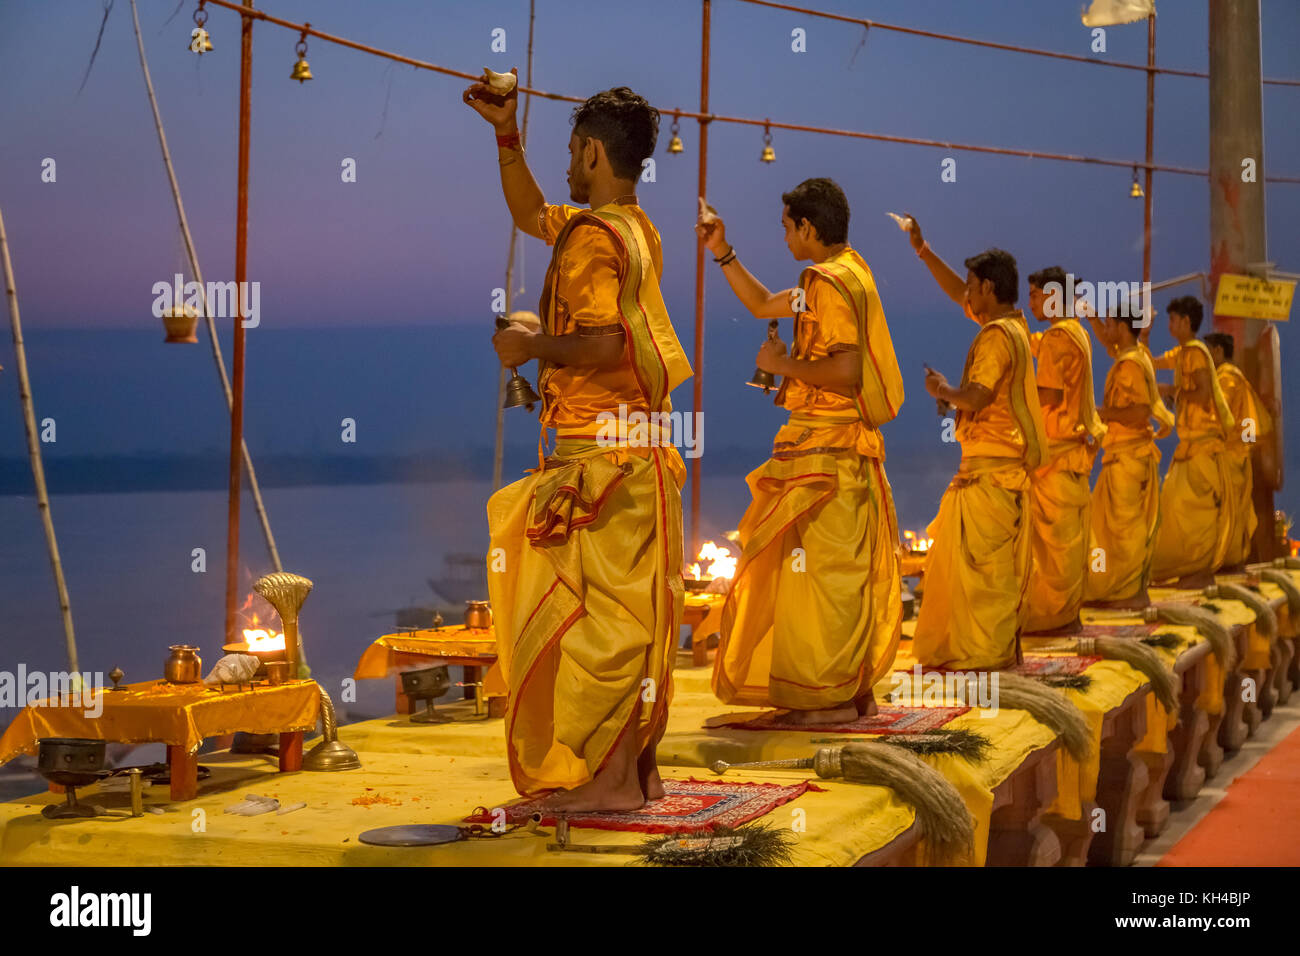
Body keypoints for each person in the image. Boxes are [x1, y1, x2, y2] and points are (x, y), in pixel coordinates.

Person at [465, 75, 692, 810]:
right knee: (626, 624)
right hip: (633, 454)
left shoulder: (597, 239)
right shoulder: (632, 225)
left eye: (570, 150)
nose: (566, 163)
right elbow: (533, 212)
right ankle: (632, 773)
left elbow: (603, 344)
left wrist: (534, 346)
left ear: (592, 151)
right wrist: (506, 135)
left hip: (602, 457)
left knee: (599, 631)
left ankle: (607, 783)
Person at [696, 179, 904, 723]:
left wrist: (782, 365)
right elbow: (766, 302)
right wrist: (722, 250)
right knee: (830, 576)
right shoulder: (848, 272)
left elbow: (847, 369)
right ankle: (847, 693)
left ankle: (823, 701)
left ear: (807, 227)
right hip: (835, 450)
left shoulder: (826, 282)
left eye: (788, 228)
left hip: (827, 452)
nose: (786, 237)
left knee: (817, 582)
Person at [903, 218, 1047, 669]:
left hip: (990, 472)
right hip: (996, 470)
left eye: (971, 286)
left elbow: (980, 394)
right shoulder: (1016, 329)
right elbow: (954, 294)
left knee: (981, 574)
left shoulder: (996, 337)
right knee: (986, 573)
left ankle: (982, 659)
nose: (965, 294)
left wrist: (943, 391)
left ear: (986, 288)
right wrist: (923, 250)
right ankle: (984, 655)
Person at [1023, 267, 1106, 632]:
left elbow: (1050, 394)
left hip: (1057, 456)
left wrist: (998, 399)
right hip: (1070, 454)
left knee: (1052, 551)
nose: (1031, 302)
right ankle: (1064, 616)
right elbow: (1033, 345)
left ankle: (1051, 619)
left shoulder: (1061, 337)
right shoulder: (1076, 332)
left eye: (1036, 295)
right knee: (1063, 550)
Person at [1084, 310, 1174, 607]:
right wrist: (1093, 318)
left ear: (1122, 327)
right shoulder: (1134, 356)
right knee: (1113, 531)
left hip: (1129, 456)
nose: (1105, 331)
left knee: (1124, 532)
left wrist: (1101, 412)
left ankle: (1127, 593)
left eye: (1110, 325)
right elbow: (1107, 344)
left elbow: (1140, 412)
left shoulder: (1132, 364)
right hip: (1124, 455)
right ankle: (1122, 590)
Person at [1149, 296, 1235, 588]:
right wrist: (1144, 333)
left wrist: (1173, 392)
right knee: (1176, 510)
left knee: (1192, 514)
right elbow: (1150, 362)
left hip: (1202, 447)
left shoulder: (1196, 353)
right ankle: (1188, 571)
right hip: (1189, 447)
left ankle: (1199, 573)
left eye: (1173, 320)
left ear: (1187, 322)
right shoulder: (1184, 352)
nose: (1170, 325)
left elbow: (1202, 394)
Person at [1204, 331, 1270, 569]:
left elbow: (1220, 416)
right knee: (1233, 511)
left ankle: (1228, 559)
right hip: (1234, 453)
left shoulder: (1227, 378)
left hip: (1230, 454)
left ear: (1218, 351)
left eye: (1207, 351)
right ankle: (1231, 559)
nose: (1205, 358)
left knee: (1228, 512)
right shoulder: (1225, 377)